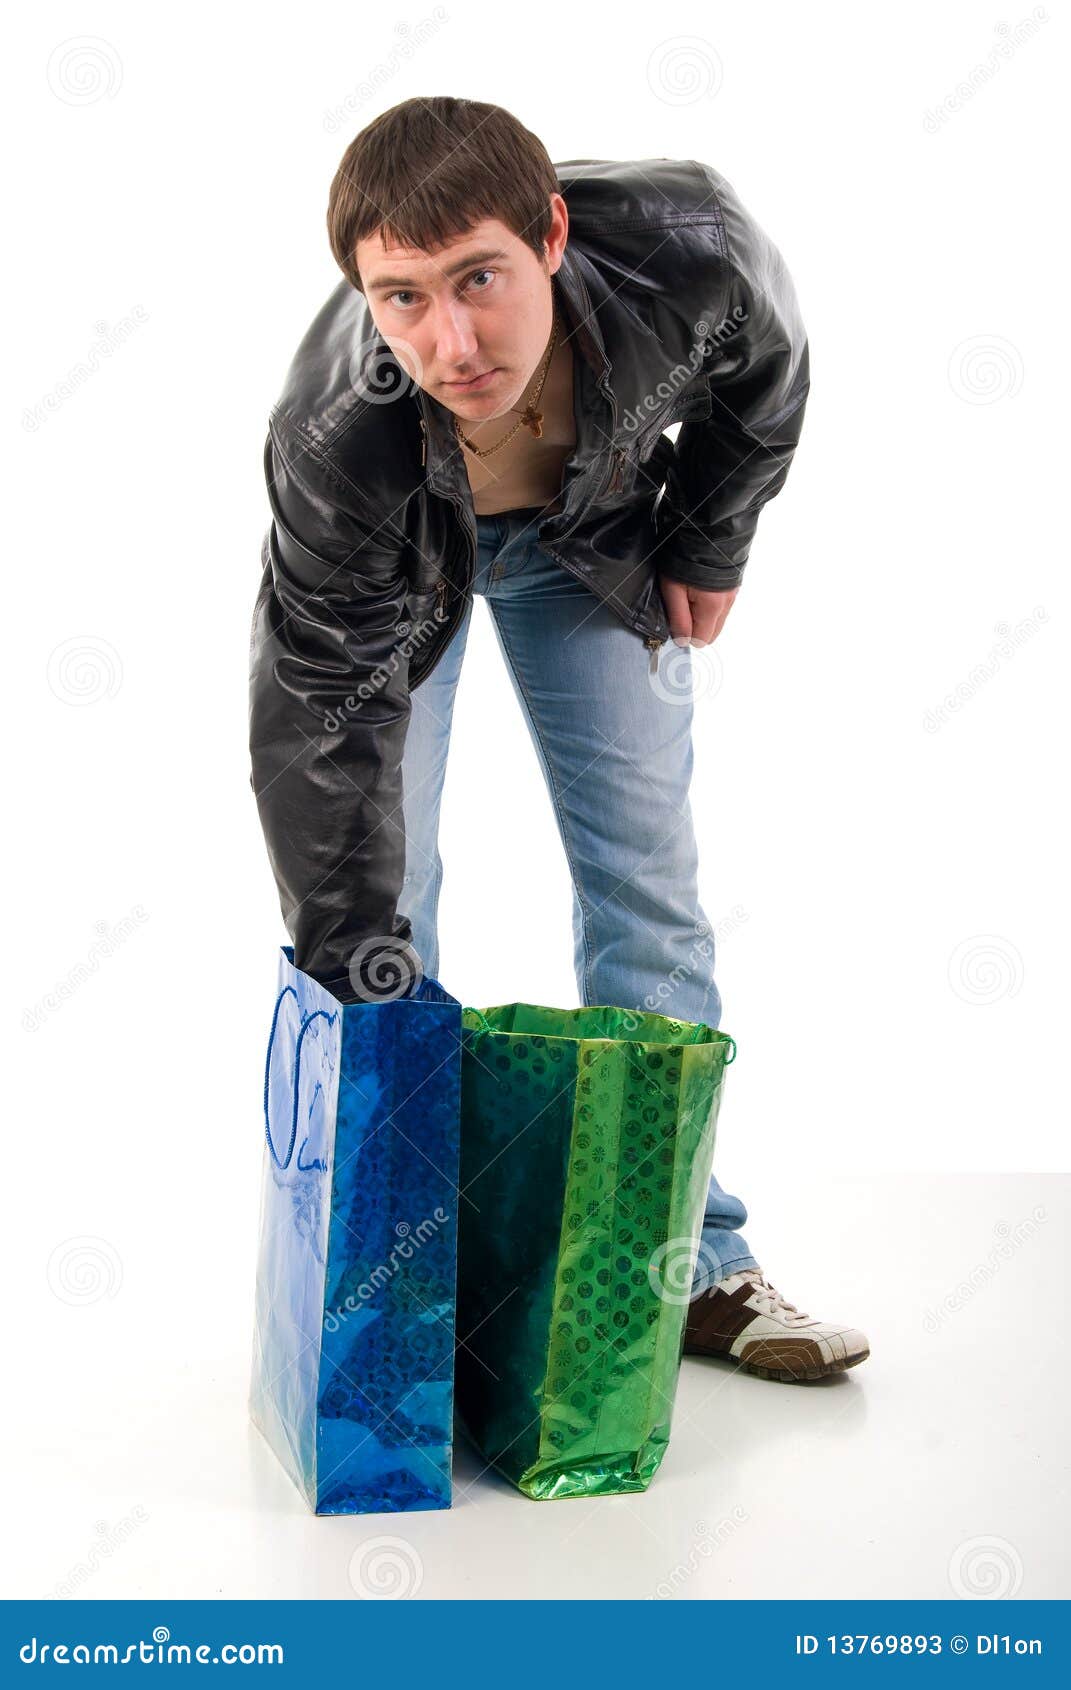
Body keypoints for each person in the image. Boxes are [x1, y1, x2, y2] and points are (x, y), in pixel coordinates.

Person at [249, 95, 869, 1382]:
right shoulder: (334, 445)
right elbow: (321, 723)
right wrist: (358, 948)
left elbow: (771, 376)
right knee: (377, 929)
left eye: (479, 278)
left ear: (551, 236)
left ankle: (690, 1267)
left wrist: (707, 538)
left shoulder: (691, 252)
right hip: (398, 577)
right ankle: (396, 1289)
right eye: (403, 298)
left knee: (649, 884)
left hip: (588, 546)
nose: (451, 339)